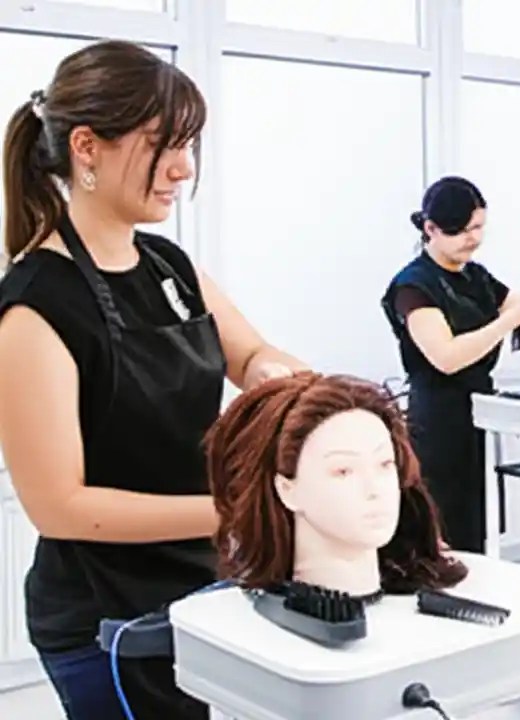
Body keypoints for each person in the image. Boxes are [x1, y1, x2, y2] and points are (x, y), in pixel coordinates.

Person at [0, 40, 305, 720]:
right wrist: (239, 510)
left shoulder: (168, 265)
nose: (183, 168)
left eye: (190, 144)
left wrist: (295, 390)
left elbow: (251, 352)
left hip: (196, 590)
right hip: (103, 621)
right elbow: (60, 506)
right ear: (87, 147)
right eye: (163, 145)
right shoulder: (34, 306)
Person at [380, 177, 520, 553]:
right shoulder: (413, 287)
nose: (473, 239)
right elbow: (446, 357)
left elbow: (513, 303)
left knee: (477, 530)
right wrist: (509, 320)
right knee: (442, 533)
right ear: (431, 229)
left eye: (479, 228)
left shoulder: (475, 275)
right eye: (463, 231)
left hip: (480, 416)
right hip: (437, 421)